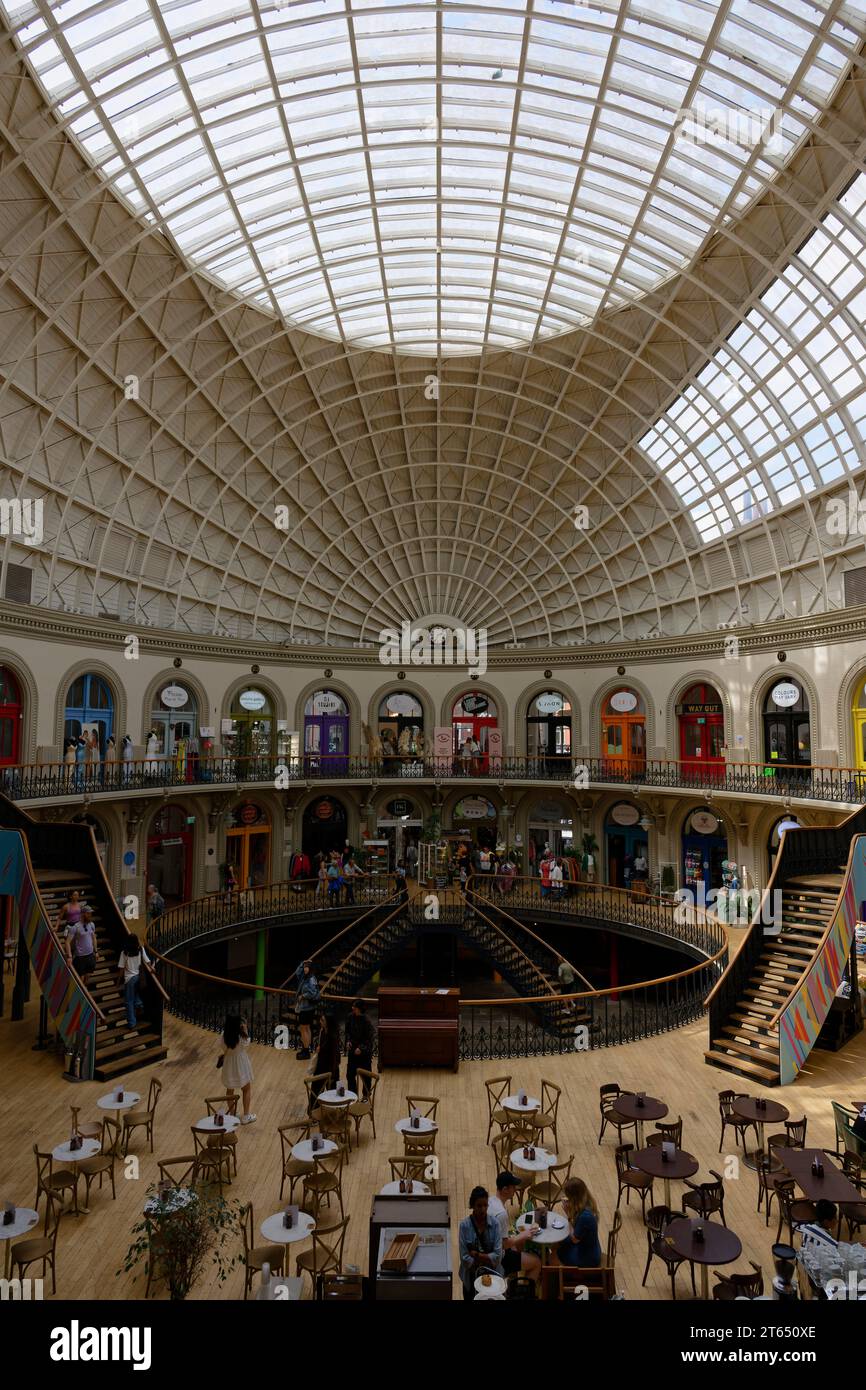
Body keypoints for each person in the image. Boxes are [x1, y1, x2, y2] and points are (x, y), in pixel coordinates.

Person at [487, 1172, 542, 1285]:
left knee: (518, 1246)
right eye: (513, 1187)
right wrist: (524, 1235)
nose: (515, 1189)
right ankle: (525, 1294)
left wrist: (516, 1239)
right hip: (499, 1258)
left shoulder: (490, 1201)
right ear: (505, 1189)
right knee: (536, 1262)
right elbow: (504, 1245)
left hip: (489, 1249)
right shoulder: (501, 1214)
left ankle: (512, 1285)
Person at [458, 1186, 503, 1299]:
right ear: (472, 1206)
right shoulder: (464, 1226)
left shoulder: (495, 1224)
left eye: (485, 1205)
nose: (483, 1209)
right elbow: (464, 1257)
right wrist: (486, 1260)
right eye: (479, 1206)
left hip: (493, 1278)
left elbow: (498, 1256)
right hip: (471, 1277)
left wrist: (477, 1255)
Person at [219, 1013, 256, 1124]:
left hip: (229, 1064)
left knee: (230, 1090)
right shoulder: (241, 1037)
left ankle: (232, 1115)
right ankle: (246, 1116)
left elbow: (222, 1047)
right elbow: (246, 1044)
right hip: (241, 1064)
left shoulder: (223, 1035)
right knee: (246, 1088)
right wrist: (245, 1030)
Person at [557, 1178, 602, 1268]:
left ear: (574, 1198)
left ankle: (560, 1276)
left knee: (555, 1252)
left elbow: (574, 1239)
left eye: (569, 1197)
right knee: (560, 1242)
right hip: (590, 1248)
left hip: (587, 1257)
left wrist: (569, 1216)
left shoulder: (585, 1216)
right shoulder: (588, 1203)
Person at [117, 933, 150, 1029]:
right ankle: (139, 1004)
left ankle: (132, 1022)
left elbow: (121, 969)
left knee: (128, 1001)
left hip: (129, 979)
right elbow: (147, 961)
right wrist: (151, 968)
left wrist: (118, 982)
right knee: (134, 993)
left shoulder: (124, 953)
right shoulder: (140, 949)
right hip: (139, 977)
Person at [310, 1008, 341, 1101]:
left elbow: (334, 1056)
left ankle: (335, 1112)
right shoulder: (322, 1031)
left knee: (334, 1093)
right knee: (316, 1090)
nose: (320, 1021)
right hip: (321, 1065)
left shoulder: (333, 1037)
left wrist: (332, 1073)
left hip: (330, 1068)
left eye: (322, 1020)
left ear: (328, 1022)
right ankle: (314, 1111)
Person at [346, 998, 375, 1095]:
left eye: (355, 1006)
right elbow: (347, 1033)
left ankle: (366, 1095)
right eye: (353, 1006)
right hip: (353, 1051)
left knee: (366, 1076)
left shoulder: (366, 1021)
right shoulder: (350, 1017)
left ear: (360, 1009)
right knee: (350, 1075)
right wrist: (348, 1041)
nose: (352, 1008)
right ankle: (352, 1095)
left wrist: (361, 1048)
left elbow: (370, 1038)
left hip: (364, 1053)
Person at [294, 959, 320, 1059]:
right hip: (306, 1007)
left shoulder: (311, 979)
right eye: (305, 967)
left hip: (307, 1008)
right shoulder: (304, 977)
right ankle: (306, 1049)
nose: (305, 969)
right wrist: (302, 962)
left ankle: (305, 1051)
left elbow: (313, 993)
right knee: (306, 1028)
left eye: (307, 967)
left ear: (310, 968)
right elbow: (297, 972)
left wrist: (303, 996)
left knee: (303, 1028)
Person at [64, 905, 99, 979]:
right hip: (80, 957)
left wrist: (96, 951)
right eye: (88, 913)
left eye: (91, 913)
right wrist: (69, 956)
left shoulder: (91, 924)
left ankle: (85, 987)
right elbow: (67, 942)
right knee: (81, 977)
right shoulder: (75, 927)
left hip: (90, 955)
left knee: (88, 975)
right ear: (83, 914)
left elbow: (94, 938)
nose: (90, 915)